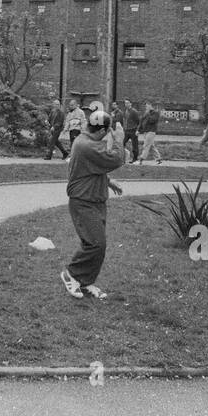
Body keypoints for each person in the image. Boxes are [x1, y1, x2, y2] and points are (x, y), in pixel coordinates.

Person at [59, 109, 125, 301]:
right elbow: (116, 158)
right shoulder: (86, 145)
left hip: (94, 199)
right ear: (103, 131)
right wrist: (119, 139)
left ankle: (86, 282)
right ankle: (71, 274)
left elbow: (91, 168)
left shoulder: (85, 141)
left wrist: (108, 181)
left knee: (96, 245)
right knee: (96, 244)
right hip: (83, 202)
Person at [123, 99, 141, 164]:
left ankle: (135, 159)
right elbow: (126, 121)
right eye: (125, 103)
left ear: (131, 104)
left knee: (135, 146)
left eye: (127, 103)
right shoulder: (126, 111)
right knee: (122, 143)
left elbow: (139, 122)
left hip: (133, 131)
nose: (126, 104)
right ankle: (124, 157)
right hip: (127, 131)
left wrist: (137, 130)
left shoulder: (134, 112)